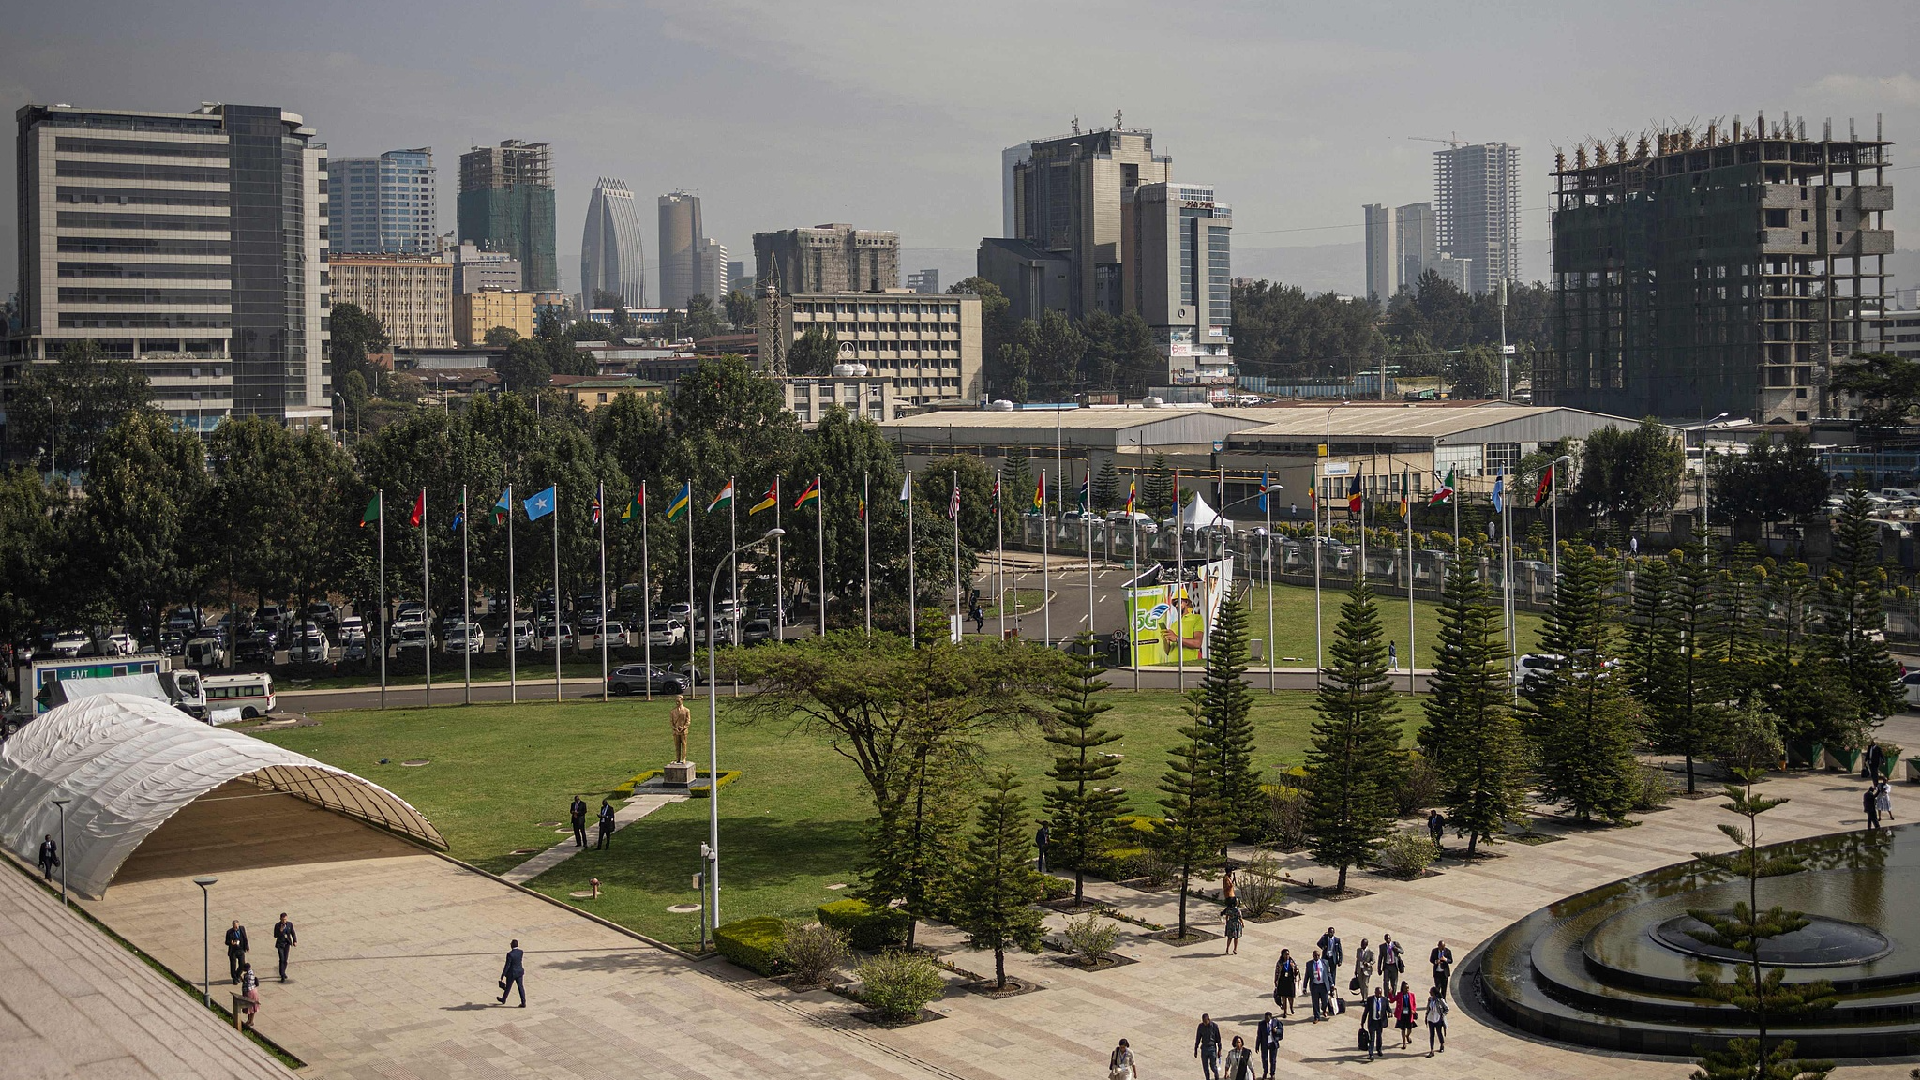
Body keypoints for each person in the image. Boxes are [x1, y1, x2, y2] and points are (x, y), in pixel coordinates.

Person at [1254, 1011, 1284, 1079]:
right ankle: (1265, 1072)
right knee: (1264, 1059)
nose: (1266, 1020)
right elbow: (1259, 1036)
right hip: (1265, 1044)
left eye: (1267, 1018)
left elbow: (1281, 1030)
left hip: (1273, 1043)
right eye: (1265, 1018)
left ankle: (1272, 1073)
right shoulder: (1261, 1024)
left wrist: (1276, 1031)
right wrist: (1257, 1046)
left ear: (1270, 1018)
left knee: (1273, 1060)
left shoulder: (1276, 1022)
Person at [1193, 1012, 1223, 1080]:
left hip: (1212, 1048)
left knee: (1213, 1066)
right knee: (1205, 1067)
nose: (1205, 1023)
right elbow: (1198, 1038)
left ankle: (1216, 1075)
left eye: (1205, 1021)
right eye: (1203, 1022)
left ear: (1208, 1019)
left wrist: (1219, 1050)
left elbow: (1219, 1039)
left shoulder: (1214, 1026)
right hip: (1204, 1048)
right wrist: (1195, 1049)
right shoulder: (1200, 1027)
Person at [1363, 987, 1390, 1060]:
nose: (1379, 995)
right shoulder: (1370, 1000)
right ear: (1375, 993)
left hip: (1379, 1022)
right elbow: (1366, 1012)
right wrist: (1363, 1021)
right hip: (1372, 1021)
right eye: (1378, 993)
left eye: (1380, 993)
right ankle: (1371, 1053)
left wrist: (1390, 1012)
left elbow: (1388, 1008)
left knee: (1379, 1037)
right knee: (1372, 1038)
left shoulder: (1384, 1000)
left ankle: (1379, 1050)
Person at [498, 938, 526, 1007]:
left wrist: (503, 974)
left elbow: (507, 965)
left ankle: (504, 999)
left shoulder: (510, 954)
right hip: (519, 972)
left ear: (512, 945)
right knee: (520, 987)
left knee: (508, 987)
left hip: (512, 973)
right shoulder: (521, 952)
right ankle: (523, 1002)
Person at [1304, 949, 1330, 1021]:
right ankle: (1316, 1017)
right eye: (1315, 955)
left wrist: (1332, 984)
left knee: (1325, 1001)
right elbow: (1307, 976)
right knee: (1315, 1002)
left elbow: (1328, 974)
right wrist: (1304, 987)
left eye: (1318, 955)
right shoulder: (1309, 964)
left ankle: (1324, 1009)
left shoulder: (1324, 962)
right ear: (1313, 956)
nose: (1317, 957)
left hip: (1323, 985)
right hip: (1315, 985)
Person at [1273, 949, 1299, 1016]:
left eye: (1288, 954)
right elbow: (1277, 972)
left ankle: (1291, 1007)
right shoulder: (1280, 963)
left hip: (1290, 981)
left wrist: (1295, 969)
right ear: (1283, 955)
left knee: (1291, 997)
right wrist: (1276, 980)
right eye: (1286, 954)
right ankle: (1285, 1011)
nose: (1287, 956)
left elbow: (1296, 970)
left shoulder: (1292, 961)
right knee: (1283, 997)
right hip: (1282, 981)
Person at [1425, 983, 1449, 1056]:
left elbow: (1447, 1009)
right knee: (1431, 1034)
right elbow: (1428, 1008)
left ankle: (1442, 1044)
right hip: (1431, 1018)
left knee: (1439, 1032)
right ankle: (1431, 1050)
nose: (1430, 992)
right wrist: (1426, 1016)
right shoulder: (1430, 1000)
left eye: (1431, 991)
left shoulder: (1440, 1000)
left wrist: (1442, 1015)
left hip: (1438, 1018)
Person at [1394, 981, 1419, 1049]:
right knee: (1403, 1029)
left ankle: (1407, 1035)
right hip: (1402, 1014)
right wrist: (1390, 994)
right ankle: (1404, 1042)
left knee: (1409, 1028)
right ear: (1403, 988)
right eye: (1406, 988)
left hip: (1409, 1014)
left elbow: (1414, 1004)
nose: (1407, 989)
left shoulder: (1411, 995)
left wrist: (1413, 1010)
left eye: (1408, 988)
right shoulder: (1399, 995)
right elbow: (1392, 1000)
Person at [273, 913, 297, 982]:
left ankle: (283, 972)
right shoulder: (277, 925)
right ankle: (282, 975)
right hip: (280, 944)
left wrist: (295, 941)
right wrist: (280, 931)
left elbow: (293, 933)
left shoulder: (290, 924)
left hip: (287, 944)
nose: (284, 921)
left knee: (285, 960)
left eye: (285, 919)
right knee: (282, 959)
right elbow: (275, 935)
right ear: (280, 919)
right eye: (283, 920)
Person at [668, 695, 692, 762]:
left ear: (682, 700)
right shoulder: (672, 711)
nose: (677, 703)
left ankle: (684, 758)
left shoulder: (686, 710)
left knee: (684, 745)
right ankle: (677, 758)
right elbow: (671, 721)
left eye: (678, 701)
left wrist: (684, 727)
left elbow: (688, 721)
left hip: (683, 731)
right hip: (676, 731)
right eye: (676, 701)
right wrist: (674, 728)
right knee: (677, 745)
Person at [238, 963, 260, 1030]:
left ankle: (251, 1021)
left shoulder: (247, 976)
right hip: (253, 991)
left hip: (250, 992)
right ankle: (249, 1021)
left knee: (251, 1008)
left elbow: (247, 986)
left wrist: (242, 980)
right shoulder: (251, 973)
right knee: (250, 1008)